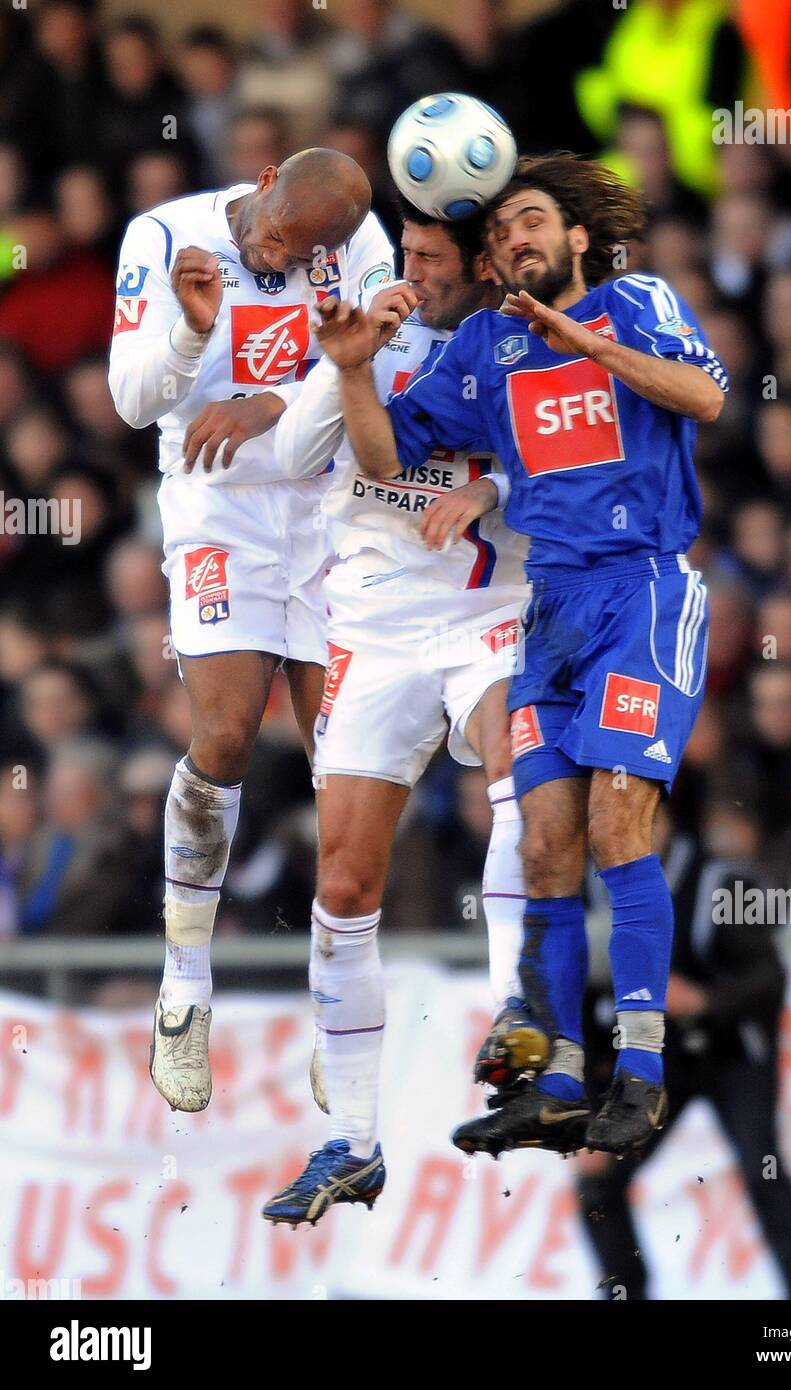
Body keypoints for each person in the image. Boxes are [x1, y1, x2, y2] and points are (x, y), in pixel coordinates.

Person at [315, 153, 727, 1160]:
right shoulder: (481, 345)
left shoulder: (634, 302)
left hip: (642, 590)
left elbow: (703, 398)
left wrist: (580, 342)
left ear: (577, 236)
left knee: (616, 825)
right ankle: (553, 1080)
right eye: (500, 233)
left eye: (533, 221)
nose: (516, 241)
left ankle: (639, 1067)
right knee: (545, 843)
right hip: (548, 612)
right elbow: (383, 459)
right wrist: (354, 367)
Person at [193, 201, 535, 1226]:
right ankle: (349, 1140)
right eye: (408, 257)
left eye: (433, 259)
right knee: (341, 880)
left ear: (475, 265)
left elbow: (580, 470)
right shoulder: (360, 345)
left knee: (519, 778)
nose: (415, 274)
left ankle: (520, 1013)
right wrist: (342, 367)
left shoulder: (522, 344)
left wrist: (496, 489)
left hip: (492, 613)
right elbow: (294, 461)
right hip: (376, 629)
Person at [107, 147, 395, 1114]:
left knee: (342, 762)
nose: (284, 257)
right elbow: (130, 399)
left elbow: (377, 364)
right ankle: (185, 989)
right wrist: (191, 341)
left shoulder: (358, 247)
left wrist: (276, 396)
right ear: (263, 177)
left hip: (326, 508)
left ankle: (336, 1004)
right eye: (277, 235)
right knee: (225, 737)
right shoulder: (164, 234)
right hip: (218, 509)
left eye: (307, 249)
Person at [577, 800, 791, 1301]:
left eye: (642, 819)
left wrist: (704, 1000)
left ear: (666, 818)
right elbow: (582, 1001)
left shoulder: (723, 883)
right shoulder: (592, 890)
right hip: (657, 1059)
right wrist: (590, 1105)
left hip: (732, 1050)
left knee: (763, 1168)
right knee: (598, 1176)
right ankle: (626, 1292)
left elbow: (771, 978)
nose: (628, 835)